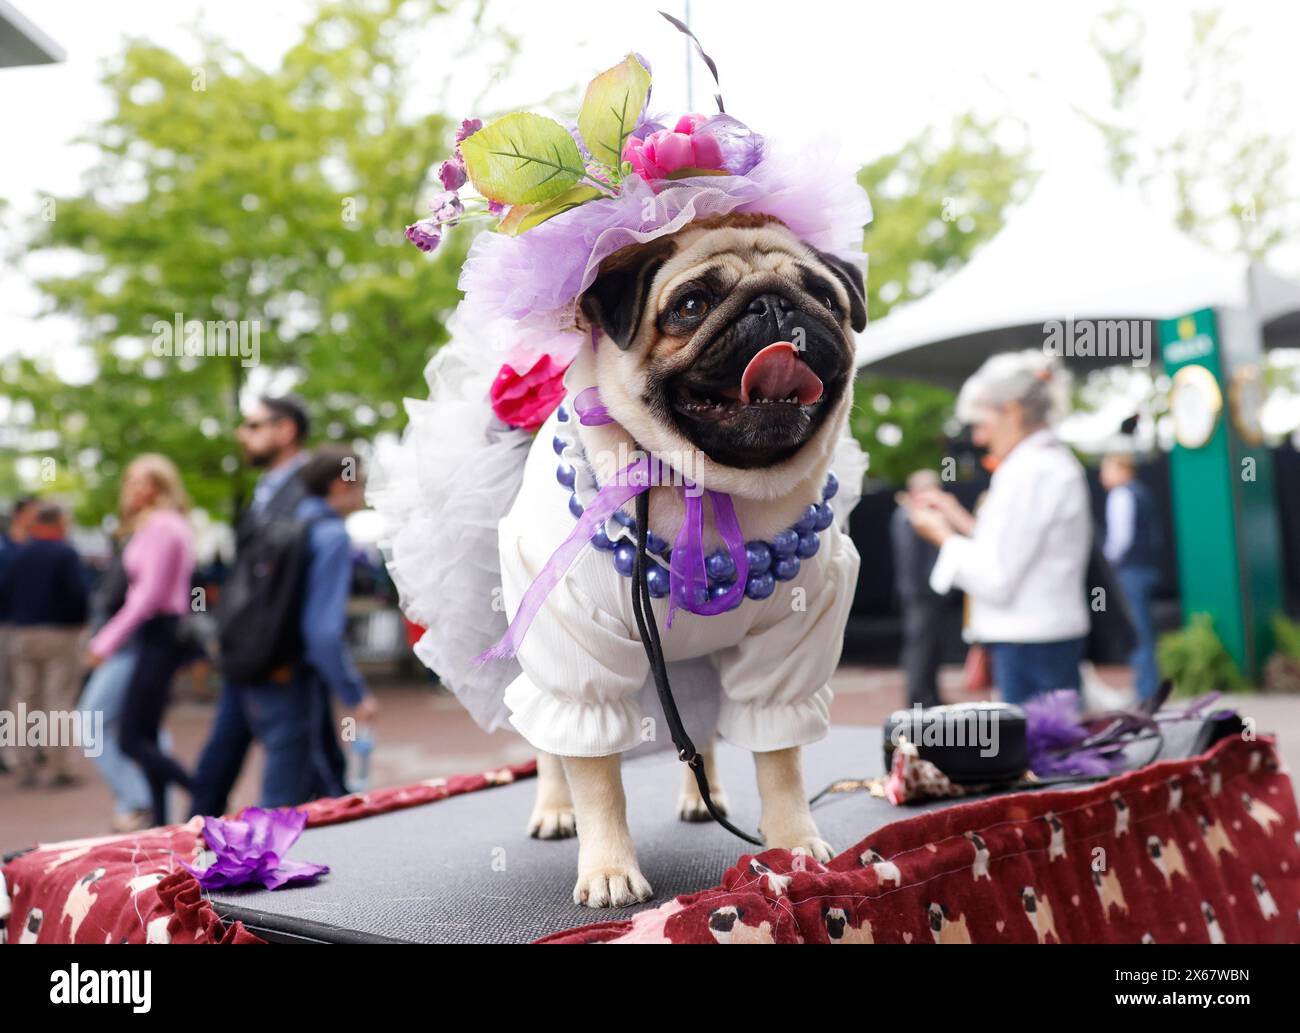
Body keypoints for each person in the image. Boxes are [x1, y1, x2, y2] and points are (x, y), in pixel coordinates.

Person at [908, 351, 1091, 704]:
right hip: (1038, 640)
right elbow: (1013, 550)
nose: (978, 438)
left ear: (1013, 411)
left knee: (1037, 756)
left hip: (1030, 645)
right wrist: (956, 516)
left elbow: (996, 578)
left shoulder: (1030, 472)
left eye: (982, 422)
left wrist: (942, 536)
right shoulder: (1042, 466)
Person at [189, 396, 310, 816]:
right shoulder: (265, 492)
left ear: (286, 430)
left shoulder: (306, 495)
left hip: (276, 663)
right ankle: (191, 862)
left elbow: (290, 591)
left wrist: (274, 654)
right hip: (246, 660)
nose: (242, 434)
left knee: (284, 793)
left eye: (253, 425)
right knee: (212, 776)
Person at [84, 455, 197, 827]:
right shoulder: (159, 525)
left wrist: (105, 642)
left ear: (159, 487)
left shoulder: (163, 526)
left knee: (132, 736)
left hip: (158, 633)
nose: (132, 489)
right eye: (129, 480)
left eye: (141, 481)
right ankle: (161, 819)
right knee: (145, 732)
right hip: (155, 634)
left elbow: (146, 596)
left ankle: (201, 790)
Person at [6, 502, 89, 787]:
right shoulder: (65, 553)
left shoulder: (20, 553)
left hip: (23, 632)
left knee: (23, 700)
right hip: (59, 633)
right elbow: (78, 593)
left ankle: (23, 765)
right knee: (58, 700)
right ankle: (57, 767)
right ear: (56, 523)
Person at [891, 469, 960, 707]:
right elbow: (911, 561)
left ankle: (930, 696)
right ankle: (919, 698)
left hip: (929, 595)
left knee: (932, 647)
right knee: (920, 649)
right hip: (921, 595)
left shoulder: (919, 515)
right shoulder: (909, 517)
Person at [1101, 452, 1161, 702]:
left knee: (1137, 632)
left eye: (1107, 469)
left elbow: (1120, 540)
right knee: (1144, 630)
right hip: (1146, 569)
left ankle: (1145, 693)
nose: (1103, 476)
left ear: (1121, 469)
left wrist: (1104, 568)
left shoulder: (1121, 495)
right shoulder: (1141, 492)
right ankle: (1148, 688)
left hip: (1130, 572)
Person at [0, 496, 39, 773]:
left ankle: (32, 748)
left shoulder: (37, 546)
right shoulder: (6, 547)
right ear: (21, 515)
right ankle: (5, 753)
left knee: (30, 692)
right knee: (5, 691)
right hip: (6, 625)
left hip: (30, 627)